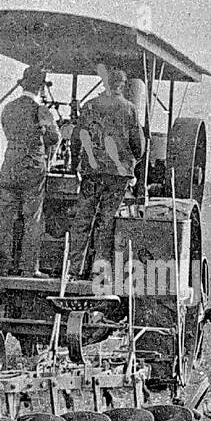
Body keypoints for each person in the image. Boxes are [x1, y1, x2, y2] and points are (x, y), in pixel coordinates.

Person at [69, 67, 144, 277]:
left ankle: (75, 269)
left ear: (105, 83)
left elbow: (76, 138)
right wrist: (132, 163)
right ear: (122, 85)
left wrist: (75, 164)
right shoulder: (129, 109)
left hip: (92, 172)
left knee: (83, 220)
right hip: (118, 174)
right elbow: (138, 144)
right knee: (106, 222)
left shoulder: (90, 105)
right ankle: (98, 272)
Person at [0, 65, 59, 276]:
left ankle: (3, 266)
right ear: (41, 88)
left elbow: (7, 130)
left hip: (9, 166)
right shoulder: (41, 110)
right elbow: (54, 138)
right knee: (33, 218)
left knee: (6, 218)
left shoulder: (9, 108)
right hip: (32, 168)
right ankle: (29, 268)